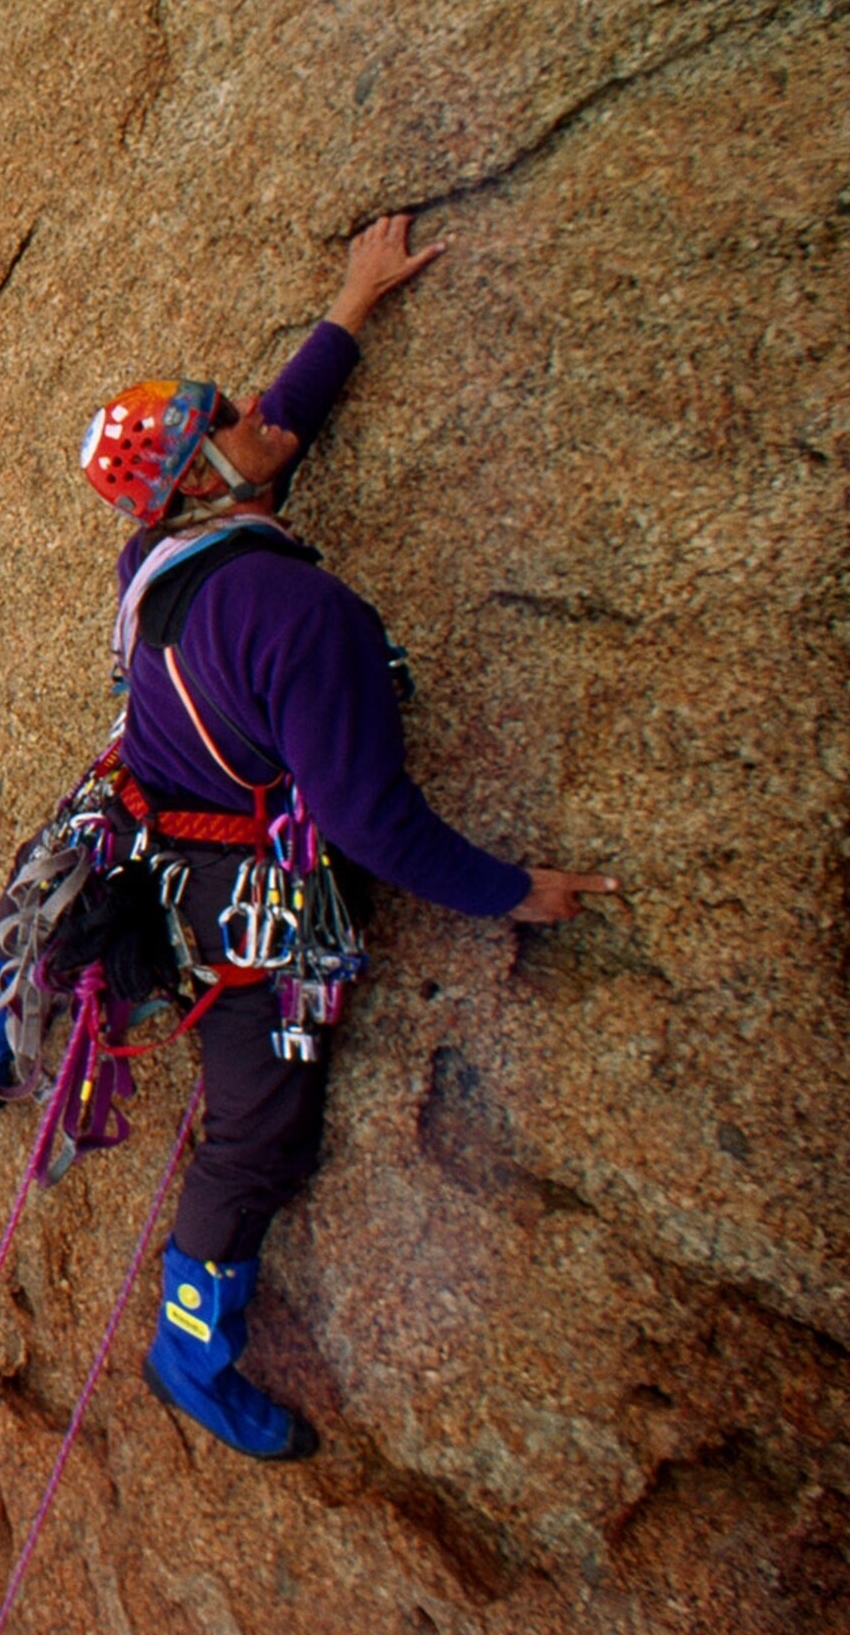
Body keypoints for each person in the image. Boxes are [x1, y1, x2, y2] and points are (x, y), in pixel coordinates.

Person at [74, 214, 618, 1461]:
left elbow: (275, 437)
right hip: (229, 889)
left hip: (165, 814)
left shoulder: (162, 551)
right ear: (206, 478)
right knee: (262, 1129)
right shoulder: (297, 615)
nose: (254, 409)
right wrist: (512, 892)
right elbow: (372, 822)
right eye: (226, 417)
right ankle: (188, 1344)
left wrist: (355, 302)